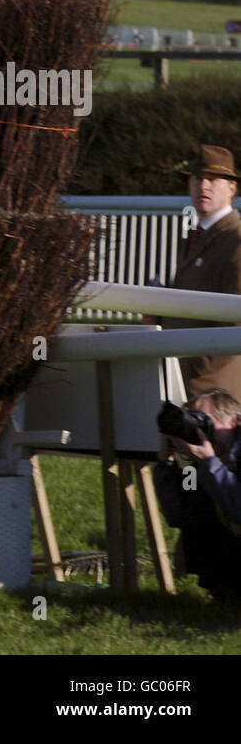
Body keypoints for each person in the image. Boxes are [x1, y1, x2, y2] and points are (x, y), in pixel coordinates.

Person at [155, 145, 241, 400]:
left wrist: (200, 381)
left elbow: (236, 320)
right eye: (197, 178)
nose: (203, 186)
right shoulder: (197, 235)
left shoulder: (236, 239)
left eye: (213, 180)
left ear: (232, 188)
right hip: (186, 380)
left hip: (213, 392)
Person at [152, 389, 241, 599]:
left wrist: (210, 463)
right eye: (194, 424)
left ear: (235, 421)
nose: (200, 433)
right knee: (198, 510)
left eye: (205, 423)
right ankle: (224, 588)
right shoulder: (192, 464)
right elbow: (181, 515)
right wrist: (168, 465)